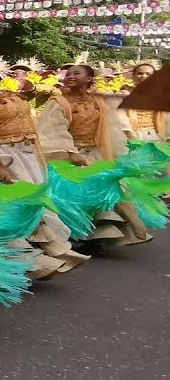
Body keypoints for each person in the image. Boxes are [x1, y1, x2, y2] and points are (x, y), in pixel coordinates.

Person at [0, 45, 88, 280]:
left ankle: (52, 253)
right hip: (4, 162)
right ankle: (28, 261)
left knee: (31, 204)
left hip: (28, 158)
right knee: (12, 209)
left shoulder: (11, 96)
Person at [37, 60, 152, 245]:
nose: (71, 77)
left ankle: (119, 230)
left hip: (96, 153)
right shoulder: (58, 102)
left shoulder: (99, 101)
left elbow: (111, 128)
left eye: (76, 73)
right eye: (68, 75)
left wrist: (118, 153)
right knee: (73, 193)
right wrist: (71, 153)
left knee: (111, 184)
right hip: (68, 156)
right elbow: (53, 130)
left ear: (89, 78)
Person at [123, 61, 167, 141]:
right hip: (130, 135)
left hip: (155, 134)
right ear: (133, 76)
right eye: (140, 73)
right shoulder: (124, 95)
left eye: (148, 74)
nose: (144, 76)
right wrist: (130, 135)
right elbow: (120, 118)